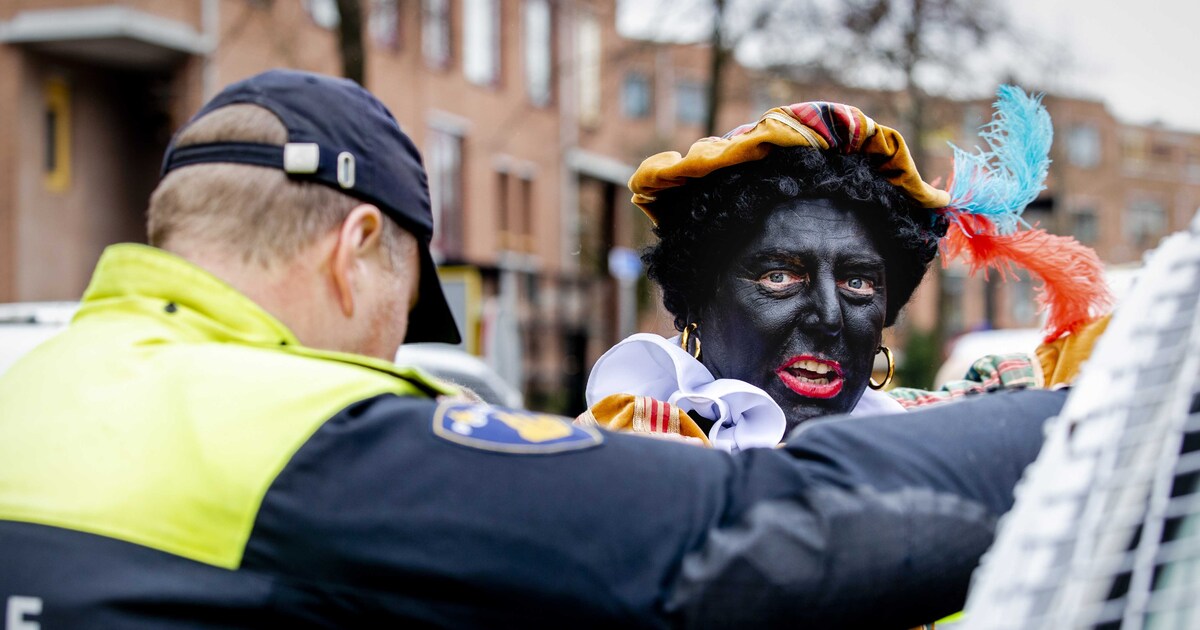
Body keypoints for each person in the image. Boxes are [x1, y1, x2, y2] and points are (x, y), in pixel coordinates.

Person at [0, 69, 1065, 628]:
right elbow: (732, 543)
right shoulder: (305, 439)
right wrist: (1103, 412)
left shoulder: (32, 390)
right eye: (409, 303)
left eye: (861, 284)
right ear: (357, 248)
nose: (392, 346)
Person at [581, 88, 1111, 451]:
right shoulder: (618, 455)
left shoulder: (913, 436)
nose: (830, 317)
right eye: (779, 276)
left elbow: (1070, 374)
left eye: (858, 282)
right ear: (698, 296)